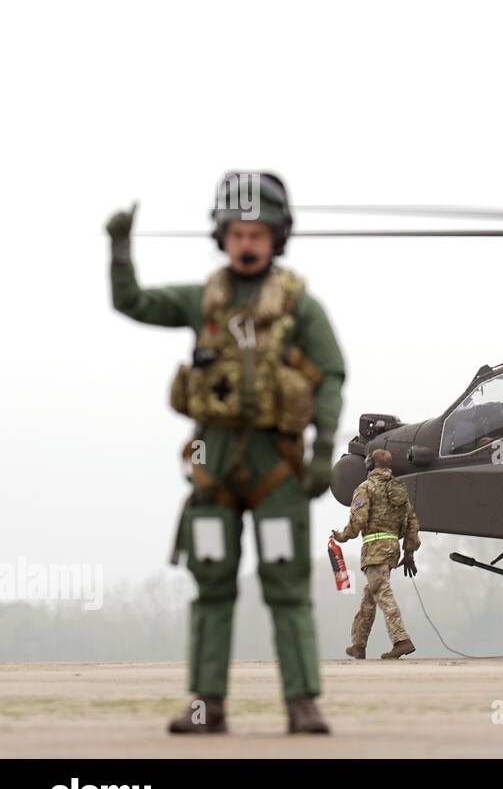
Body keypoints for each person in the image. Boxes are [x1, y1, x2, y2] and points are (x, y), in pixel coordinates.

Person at [106, 171, 345, 734]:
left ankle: (301, 703)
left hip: (276, 464)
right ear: (222, 236)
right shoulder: (202, 301)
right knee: (211, 583)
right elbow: (133, 302)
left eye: (257, 233)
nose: (246, 243)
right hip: (212, 462)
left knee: (286, 584)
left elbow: (331, 375)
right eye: (237, 232)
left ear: (276, 238)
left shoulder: (300, 307)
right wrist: (120, 250)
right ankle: (205, 706)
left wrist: (323, 450)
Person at [334, 448, 421, 660]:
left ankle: (401, 640)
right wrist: (408, 553)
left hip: (375, 548)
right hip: (392, 548)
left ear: (369, 465)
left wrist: (342, 536)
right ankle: (358, 645)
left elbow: (358, 520)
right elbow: (412, 523)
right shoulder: (399, 490)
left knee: (382, 592)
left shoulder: (366, 488)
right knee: (369, 596)